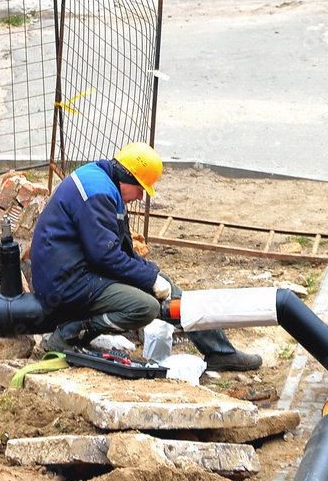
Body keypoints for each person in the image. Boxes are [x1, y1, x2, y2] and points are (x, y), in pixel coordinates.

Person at [30, 142, 262, 371]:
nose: (141, 196)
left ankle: (220, 352)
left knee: (167, 286)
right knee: (145, 307)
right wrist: (149, 280)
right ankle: (69, 332)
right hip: (65, 282)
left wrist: (152, 274)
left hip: (78, 270)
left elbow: (123, 251)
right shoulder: (99, 194)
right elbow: (105, 256)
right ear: (127, 177)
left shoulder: (106, 183)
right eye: (141, 188)